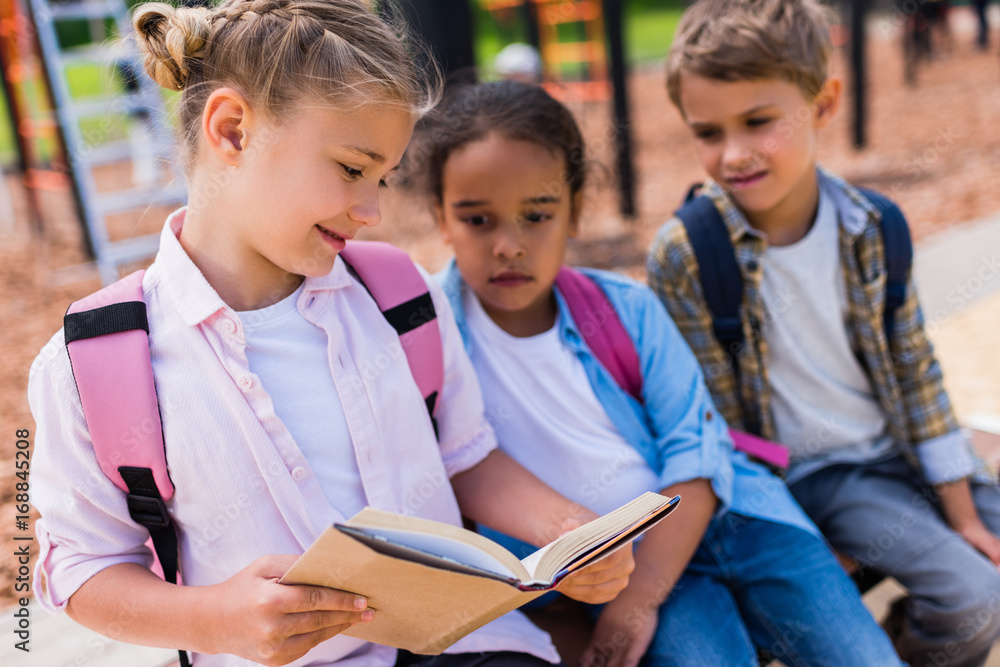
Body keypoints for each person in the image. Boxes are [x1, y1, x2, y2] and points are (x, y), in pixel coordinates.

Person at [27, 2, 635, 666]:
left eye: (383, 177)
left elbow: (466, 456)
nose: (372, 210)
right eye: (351, 169)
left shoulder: (400, 294)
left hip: (466, 650)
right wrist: (212, 618)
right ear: (231, 130)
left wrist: (566, 533)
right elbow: (80, 568)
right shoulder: (95, 360)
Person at [405, 78, 902, 667]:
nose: (509, 244)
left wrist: (637, 600)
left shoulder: (625, 309)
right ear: (441, 216)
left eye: (537, 215)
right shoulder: (427, 338)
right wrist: (628, 595)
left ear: (575, 211)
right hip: (620, 567)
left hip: (737, 519)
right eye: (478, 220)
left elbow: (697, 453)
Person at [647, 1, 1000, 665]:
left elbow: (913, 368)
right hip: (817, 475)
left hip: (898, 452)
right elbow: (713, 423)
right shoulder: (690, 253)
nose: (733, 154)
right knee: (974, 593)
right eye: (708, 131)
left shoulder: (871, 226)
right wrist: (803, 540)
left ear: (823, 103)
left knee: (982, 568)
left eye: (758, 122)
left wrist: (963, 509)